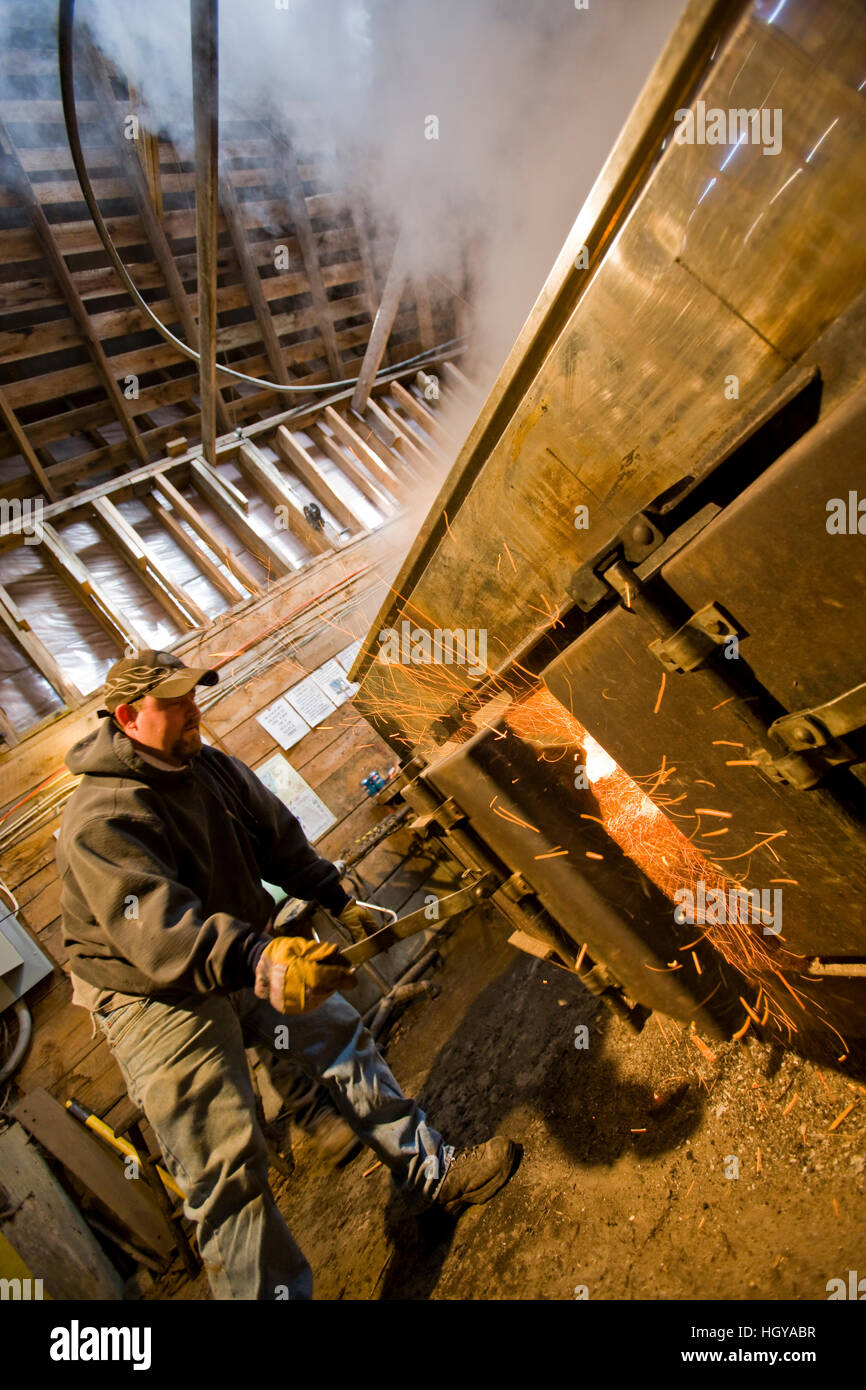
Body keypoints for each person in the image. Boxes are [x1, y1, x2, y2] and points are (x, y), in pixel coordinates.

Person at [57, 649, 519, 1299]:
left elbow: (277, 836)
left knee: (343, 1040)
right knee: (226, 1170)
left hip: (241, 947)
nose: (195, 710)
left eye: (196, 695)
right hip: (151, 994)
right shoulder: (99, 816)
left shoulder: (208, 766)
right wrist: (260, 957)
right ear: (129, 715)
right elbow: (159, 934)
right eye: (176, 702)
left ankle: (431, 1172)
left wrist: (337, 898)